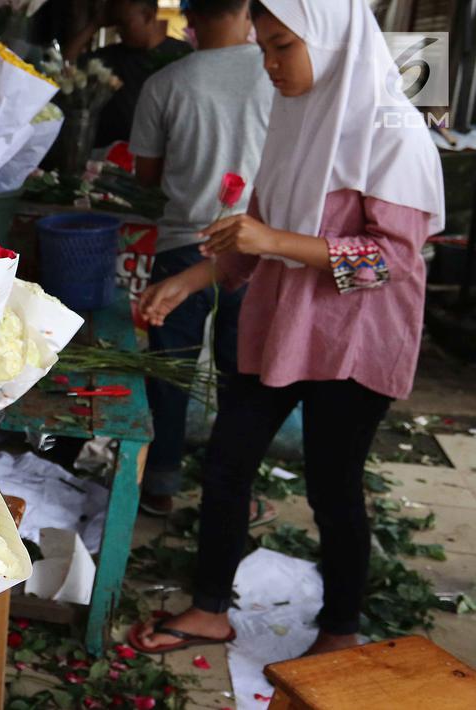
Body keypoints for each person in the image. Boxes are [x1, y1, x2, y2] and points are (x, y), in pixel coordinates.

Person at [129, 0, 445, 657]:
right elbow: (255, 241)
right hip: (279, 329)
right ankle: (211, 607)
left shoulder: (392, 134)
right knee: (224, 465)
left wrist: (275, 237)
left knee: (332, 490)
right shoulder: (297, 118)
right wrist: (187, 280)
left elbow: (387, 266)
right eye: (265, 46)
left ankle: (338, 633)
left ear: (330, 42)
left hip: (352, 341)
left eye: (282, 48)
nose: (268, 64)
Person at [127, 0, 274, 521]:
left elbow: (146, 175)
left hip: (182, 244)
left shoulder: (166, 82)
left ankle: (160, 483)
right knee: (245, 377)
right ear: (249, 9)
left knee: (171, 370)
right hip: (258, 246)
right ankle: (233, 492)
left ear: (189, 13)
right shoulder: (279, 69)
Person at [84, 0, 193, 147]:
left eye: (123, 23)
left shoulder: (182, 55)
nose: (118, 31)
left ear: (148, 16)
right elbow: (67, 65)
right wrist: (94, 25)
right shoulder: (113, 54)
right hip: (109, 153)